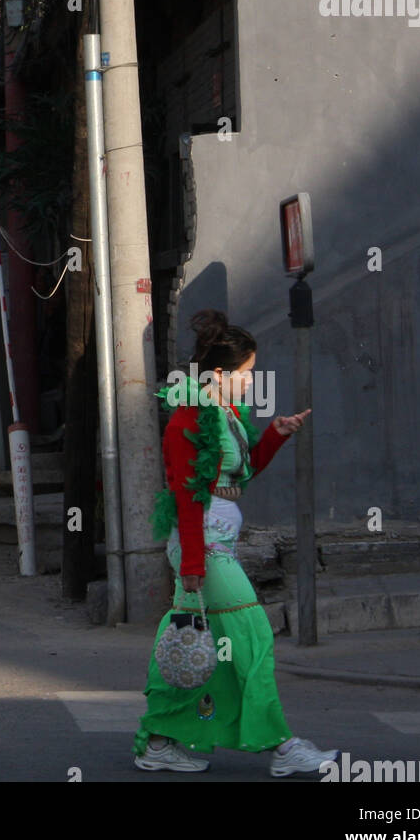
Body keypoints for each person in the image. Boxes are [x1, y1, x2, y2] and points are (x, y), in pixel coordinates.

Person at [133, 310, 338, 777]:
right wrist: (191, 564)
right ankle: (282, 748)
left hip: (213, 544)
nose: (251, 382)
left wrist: (274, 436)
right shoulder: (187, 416)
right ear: (221, 374)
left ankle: (159, 741)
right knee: (253, 636)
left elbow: (239, 476)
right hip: (201, 547)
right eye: (247, 374)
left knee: (189, 643)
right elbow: (186, 495)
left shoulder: (225, 414)